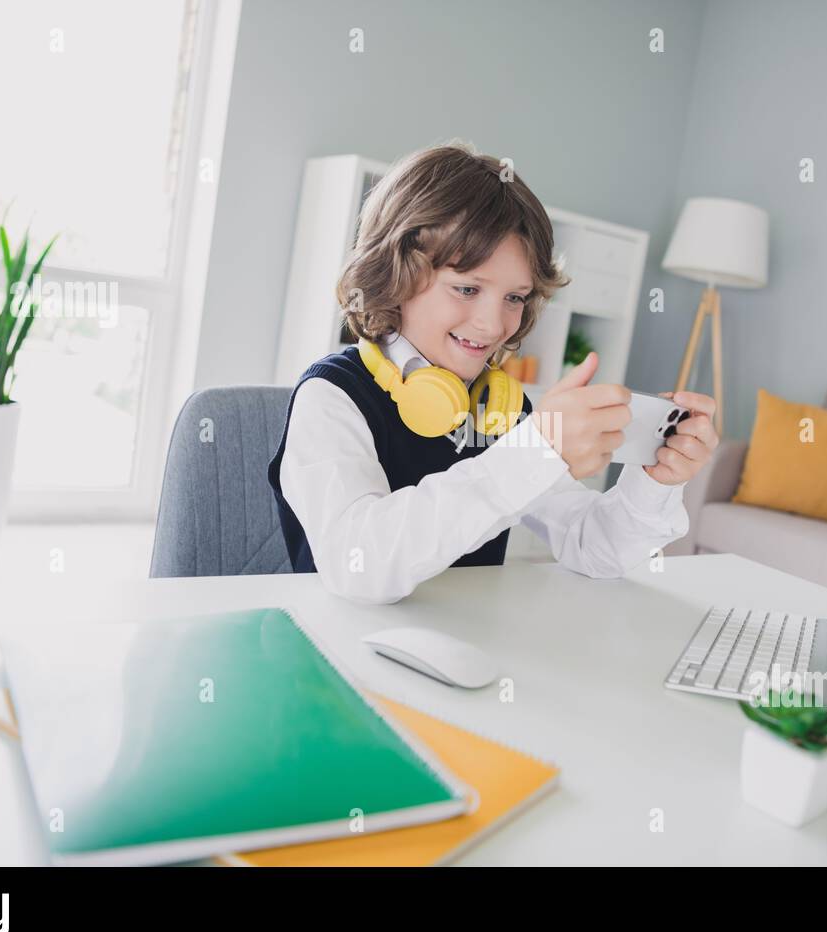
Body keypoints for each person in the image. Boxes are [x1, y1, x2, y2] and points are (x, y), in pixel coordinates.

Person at [269, 141, 718, 604]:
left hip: (464, 653)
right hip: (338, 653)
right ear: (394, 275)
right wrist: (535, 452)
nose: (493, 324)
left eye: (515, 297)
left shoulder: (499, 409)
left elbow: (594, 548)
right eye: (467, 288)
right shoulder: (333, 396)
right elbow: (358, 563)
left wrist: (654, 481)